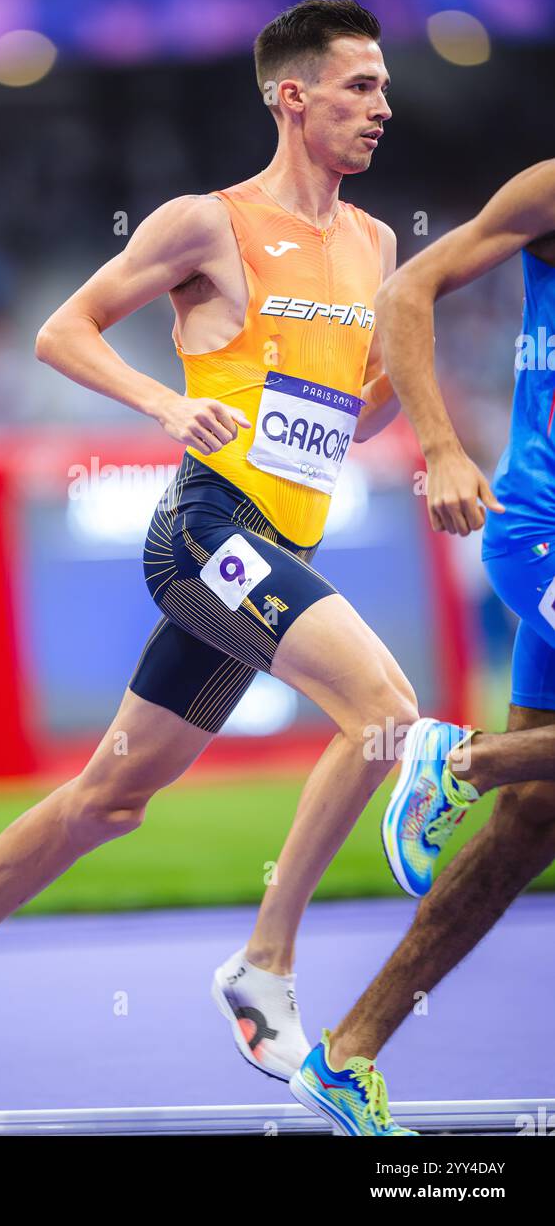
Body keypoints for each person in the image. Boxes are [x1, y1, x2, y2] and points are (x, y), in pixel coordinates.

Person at [0, 0, 440, 1131]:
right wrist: (164, 402)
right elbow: (61, 330)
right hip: (205, 535)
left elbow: (347, 425)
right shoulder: (206, 222)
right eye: (358, 86)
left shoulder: (371, 244)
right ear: (293, 96)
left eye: (381, 87)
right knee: (384, 710)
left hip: (281, 543)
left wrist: (407, 387)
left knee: (108, 799)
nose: (380, 107)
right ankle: (263, 965)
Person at [291, 159, 555, 1135]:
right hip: (541, 527)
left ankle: (346, 1049)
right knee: (515, 789)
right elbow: (404, 289)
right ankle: (462, 757)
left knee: (531, 820)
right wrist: (442, 446)